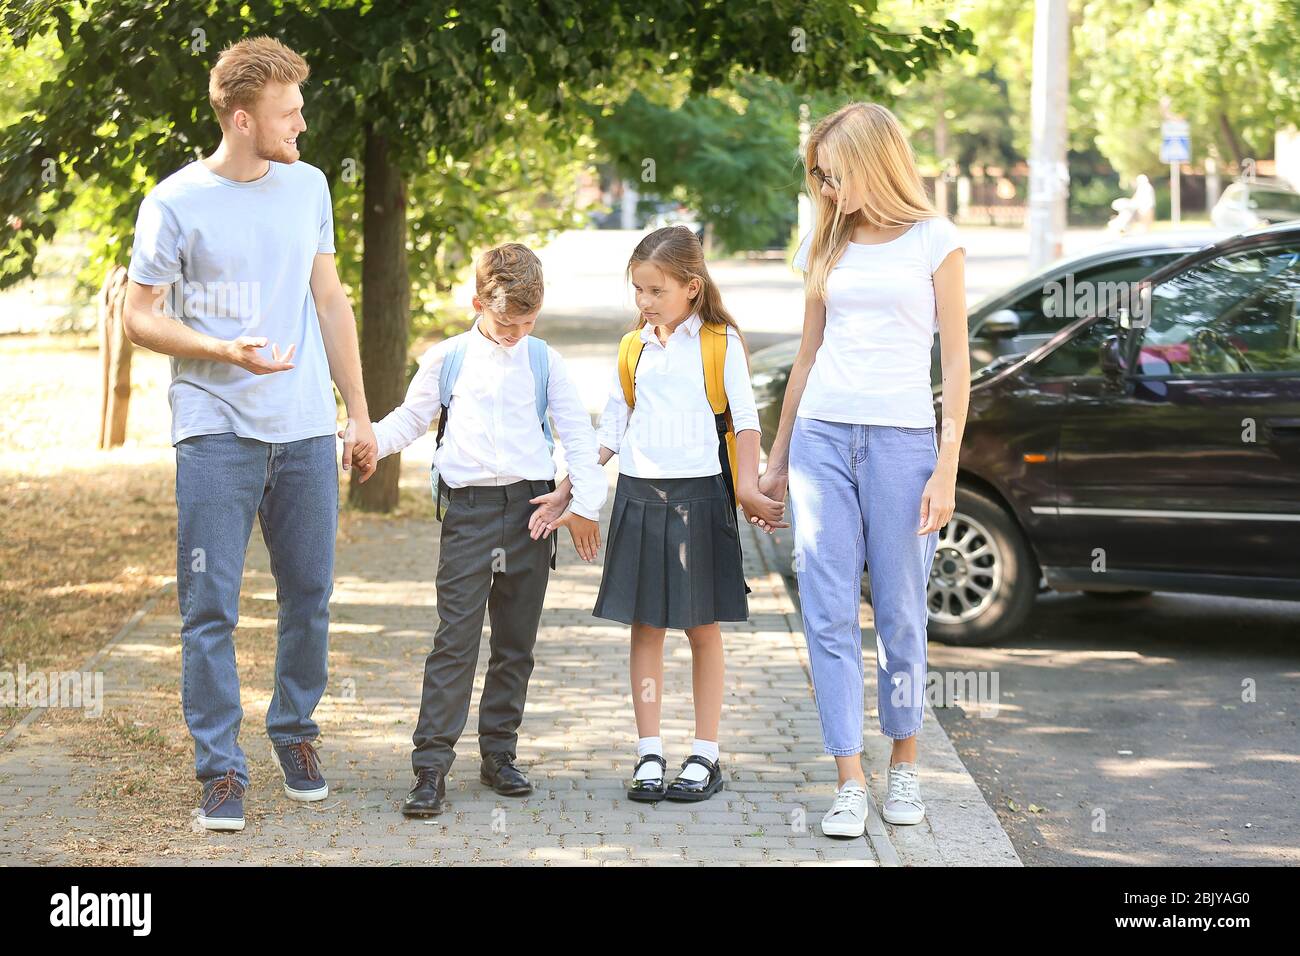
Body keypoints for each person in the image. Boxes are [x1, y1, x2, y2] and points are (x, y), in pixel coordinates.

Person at [123, 37, 376, 832]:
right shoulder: (174, 202)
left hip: (302, 430)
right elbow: (138, 315)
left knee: (310, 595)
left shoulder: (308, 187)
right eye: (289, 111)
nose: (303, 123)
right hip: (214, 430)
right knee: (210, 608)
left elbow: (331, 302)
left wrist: (359, 412)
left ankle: (294, 734)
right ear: (241, 118)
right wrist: (221, 350)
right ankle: (220, 772)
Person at [758, 103, 970, 837]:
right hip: (822, 437)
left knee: (903, 614)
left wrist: (947, 469)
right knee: (825, 609)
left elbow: (959, 365)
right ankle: (848, 776)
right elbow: (806, 356)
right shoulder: (825, 241)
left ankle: (904, 764)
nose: (823, 186)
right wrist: (777, 461)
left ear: (870, 163)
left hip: (904, 445)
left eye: (831, 172)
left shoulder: (936, 241)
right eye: (816, 175)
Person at [355, 243, 605, 818]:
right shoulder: (447, 358)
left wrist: (585, 505)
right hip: (467, 514)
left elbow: (578, 438)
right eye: (506, 321)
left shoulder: (545, 361)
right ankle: (430, 767)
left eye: (527, 322)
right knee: (455, 640)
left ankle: (499, 754)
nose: (516, 332)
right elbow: (412, 420)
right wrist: (367, 441)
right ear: (477, 304)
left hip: (531, 513)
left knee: (515, 643)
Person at [561, 225, 785, 803]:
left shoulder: (719, 343)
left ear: (691, 286)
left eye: (655, 291)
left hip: (701, 495)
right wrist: (572, 484)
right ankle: (649, 751)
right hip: (638, 493)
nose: (644, 302)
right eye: (638, 290)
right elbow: (612, 424)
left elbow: (745, 420)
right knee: (645, 626)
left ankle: (705, 753)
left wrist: (749, 489)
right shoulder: (634, 346)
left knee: (701, 626)